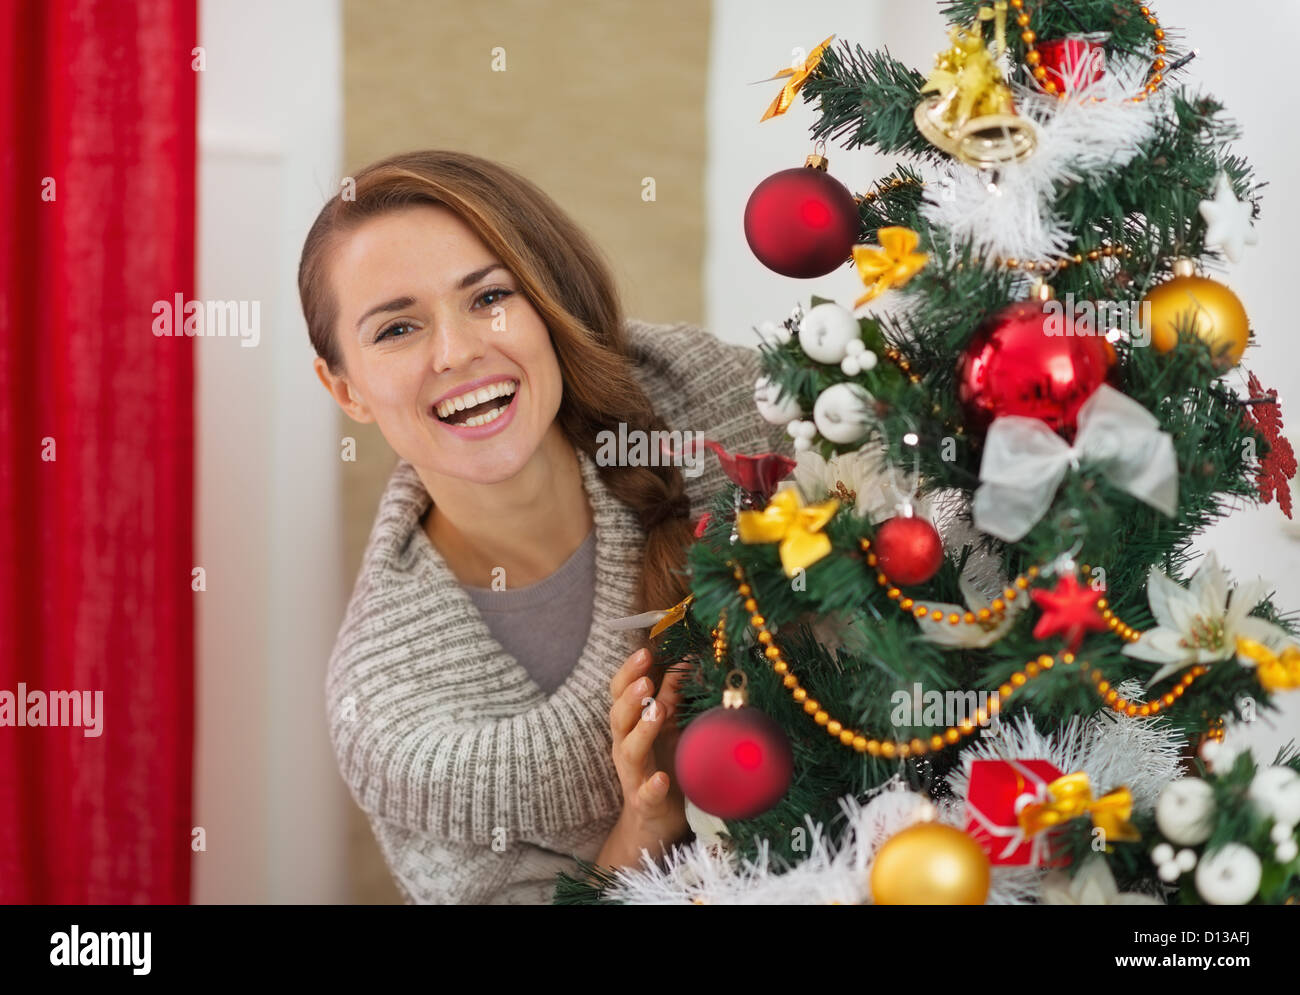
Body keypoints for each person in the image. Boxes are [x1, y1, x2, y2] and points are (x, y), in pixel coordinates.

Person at [297, 149, 790, 903]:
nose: (457, 351)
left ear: (547, 299)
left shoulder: (697, 391)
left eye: (489, 296)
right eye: (397, 329)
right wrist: (643, 825)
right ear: (344, 388)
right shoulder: (390, 706)